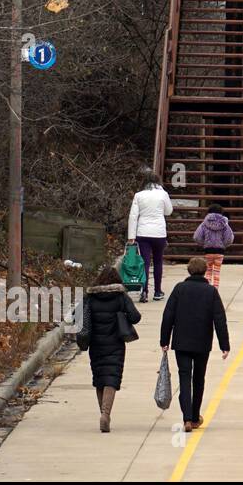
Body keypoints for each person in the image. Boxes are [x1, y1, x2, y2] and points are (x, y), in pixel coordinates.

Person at [160, 257, 230, 432]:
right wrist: (224, 344)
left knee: (184, 378)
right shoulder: (210, 292)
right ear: (205, 271)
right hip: (202, 343)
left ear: (189, 271)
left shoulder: (179, 289)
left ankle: (186, 419)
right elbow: (219, 319)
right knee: (199, 379)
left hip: (181, 342)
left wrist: (164, 340)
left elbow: (168, 315)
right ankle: (195, 415)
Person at [82, 265, 143, 433]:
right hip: (115, 343)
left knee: (100, 377)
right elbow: (135, 317)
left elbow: (77, 316)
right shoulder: (120, 297)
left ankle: (102, 413)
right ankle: (106, 414)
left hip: (95, 344)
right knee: (112, 377)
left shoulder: (90, 297)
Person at [127, 168, 172, 303]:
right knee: (158, 261)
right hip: (159, 232)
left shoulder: (138, 195)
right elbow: (169, 211)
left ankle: (144, 291)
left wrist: (131, 236)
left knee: (145, 263)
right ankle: (157, 291)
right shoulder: (163, 194)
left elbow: (133, 216)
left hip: (143, 233)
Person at [192, 203, 234, 289]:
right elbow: (229, 238)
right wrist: (224, 245)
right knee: (217, 272)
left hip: (208, 250)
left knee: (208, 271)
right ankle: (215, 290)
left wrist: (204, 244)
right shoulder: (224, 224)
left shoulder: (204, 224)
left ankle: (207, 289)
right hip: (220, 251)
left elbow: (197, 236)